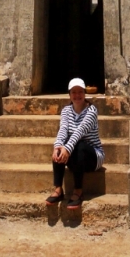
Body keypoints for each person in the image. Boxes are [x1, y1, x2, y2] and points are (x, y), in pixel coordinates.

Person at [46, 77, 105, 210]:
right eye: (74, 92)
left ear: (84, 93)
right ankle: (58, 189)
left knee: (79, 145)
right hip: (75, 157)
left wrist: (67, 149)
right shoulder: (66, 111)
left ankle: (78, 191)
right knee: (60, 146)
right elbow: (63, 129)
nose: (77, 95)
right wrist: (57, 146)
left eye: (80, 92)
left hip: (93, 157)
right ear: (69, 94)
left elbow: (80, 131)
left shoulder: (91, 111)